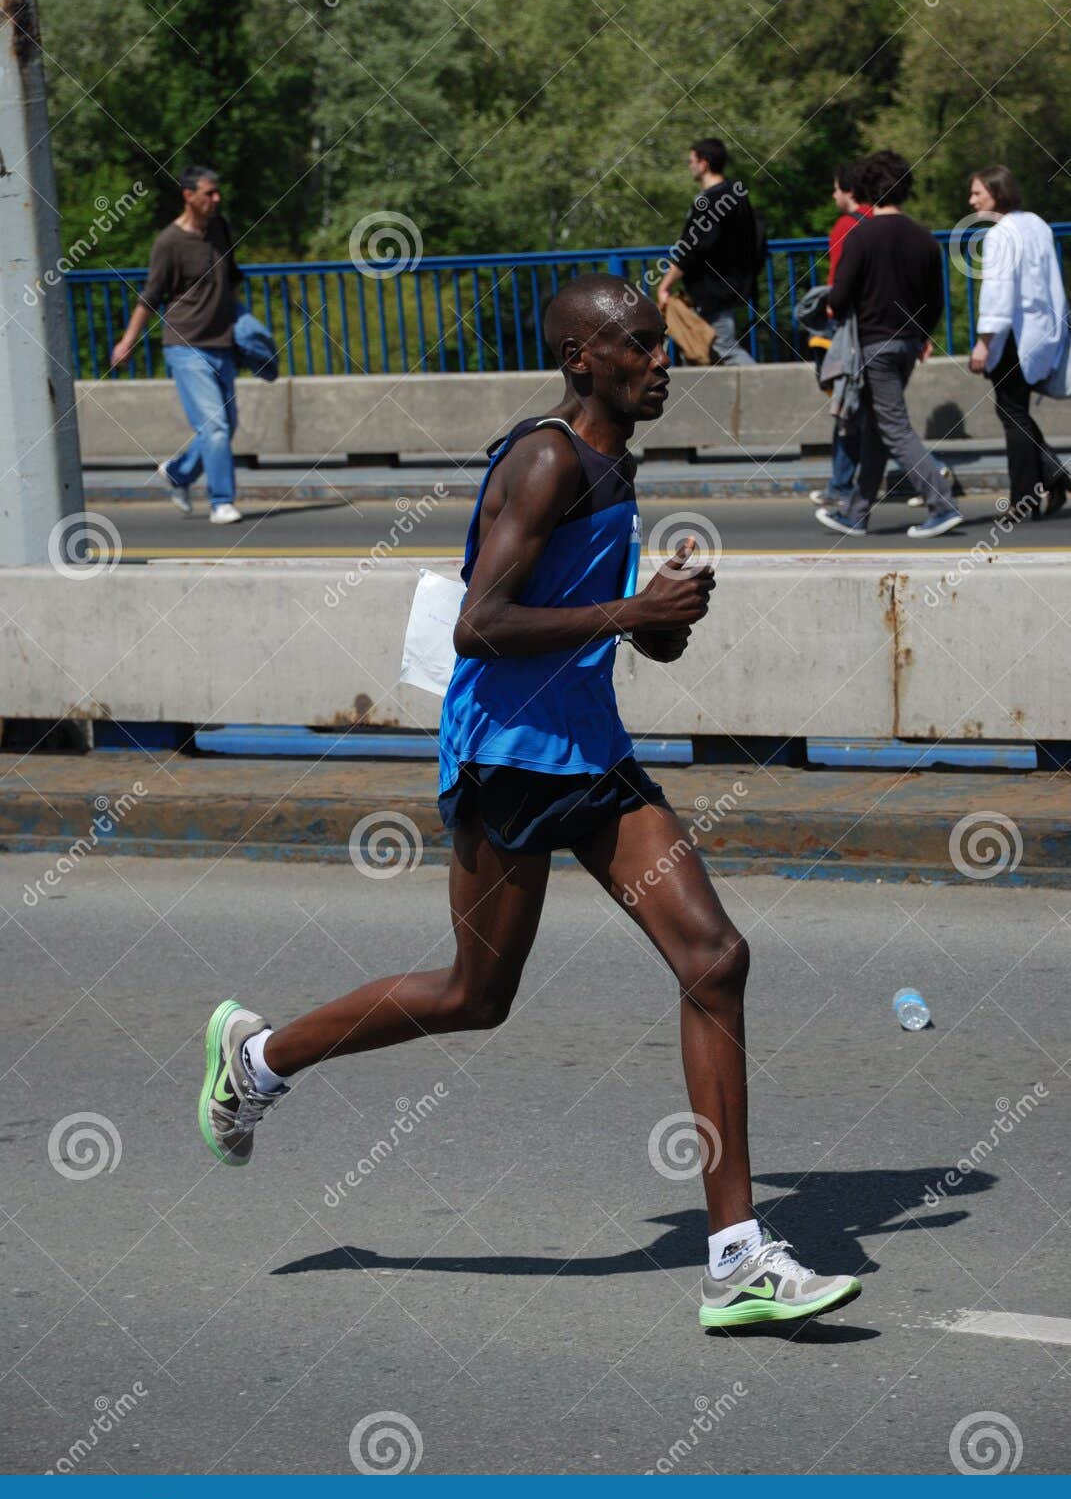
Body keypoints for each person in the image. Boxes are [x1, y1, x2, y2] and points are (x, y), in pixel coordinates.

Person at [197, 274, 861, 1332]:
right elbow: (482, 624)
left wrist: (661, 619)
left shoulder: (613, 458)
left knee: (715, 959)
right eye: (638, 345)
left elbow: (599, 619)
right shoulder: (546, 458)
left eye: (660, 342)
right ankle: (261, 1059)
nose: (661, 360)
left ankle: (736, 1256)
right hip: (508, 756)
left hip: (589, 753)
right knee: (474, 995)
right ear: (580, 359)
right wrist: (630, 610)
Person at [815, 149, 964, 539]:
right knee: (878, 428)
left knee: (893, 427)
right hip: (908, 344)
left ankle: (942, 504)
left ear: (866, 188)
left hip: (874, 345)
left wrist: (830, 304)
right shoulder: (925, 239)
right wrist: (921, 337)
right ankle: (856, 513)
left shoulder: (861, 236)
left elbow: (840, 296)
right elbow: (936, 301)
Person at [111, 165, 244, 526]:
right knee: (215, 426)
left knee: (225, 426)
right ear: (188, 195)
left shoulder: (220, 228)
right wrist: (128, 340)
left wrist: (242, 326)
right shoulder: (168, 242)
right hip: (186, 345)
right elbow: (151, 296)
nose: (216, 198)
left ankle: (177, 474)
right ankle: (221, 502)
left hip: (221, 342)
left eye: (217, 192)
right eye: (209, 193)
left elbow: (232, 278)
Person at [967, 164, 1069, 518]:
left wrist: (984, 342)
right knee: (1014, 410)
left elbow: (998, 294)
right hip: (1039, 330)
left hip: (1012, 335)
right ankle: (1054, 477)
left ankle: (1024, 500)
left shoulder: (1000, 235)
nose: (972, 201)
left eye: (977, 193)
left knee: (1012, 414)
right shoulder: (1036, 224)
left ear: (997, 193)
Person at [656, 139, 759, 366]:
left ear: (704, 164)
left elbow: (691, 248)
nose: (689, 166)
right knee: (697, 352)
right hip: (734, 286)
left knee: (723, 349)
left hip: (712, 291)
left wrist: (665, 285)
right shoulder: (736, 194)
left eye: (691, 161)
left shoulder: (711, 201)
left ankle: (765, 385)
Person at [810, 161, 874, 508]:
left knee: (849, 406)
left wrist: (830, 310)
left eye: (836, 189)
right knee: (878, 411)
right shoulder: (881, 220)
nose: (833, 195)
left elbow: (838, 283)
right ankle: (842, 483)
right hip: (885, 325)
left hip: (852, 329)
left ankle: (840, 485)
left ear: (848, 190)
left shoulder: (846, 226)